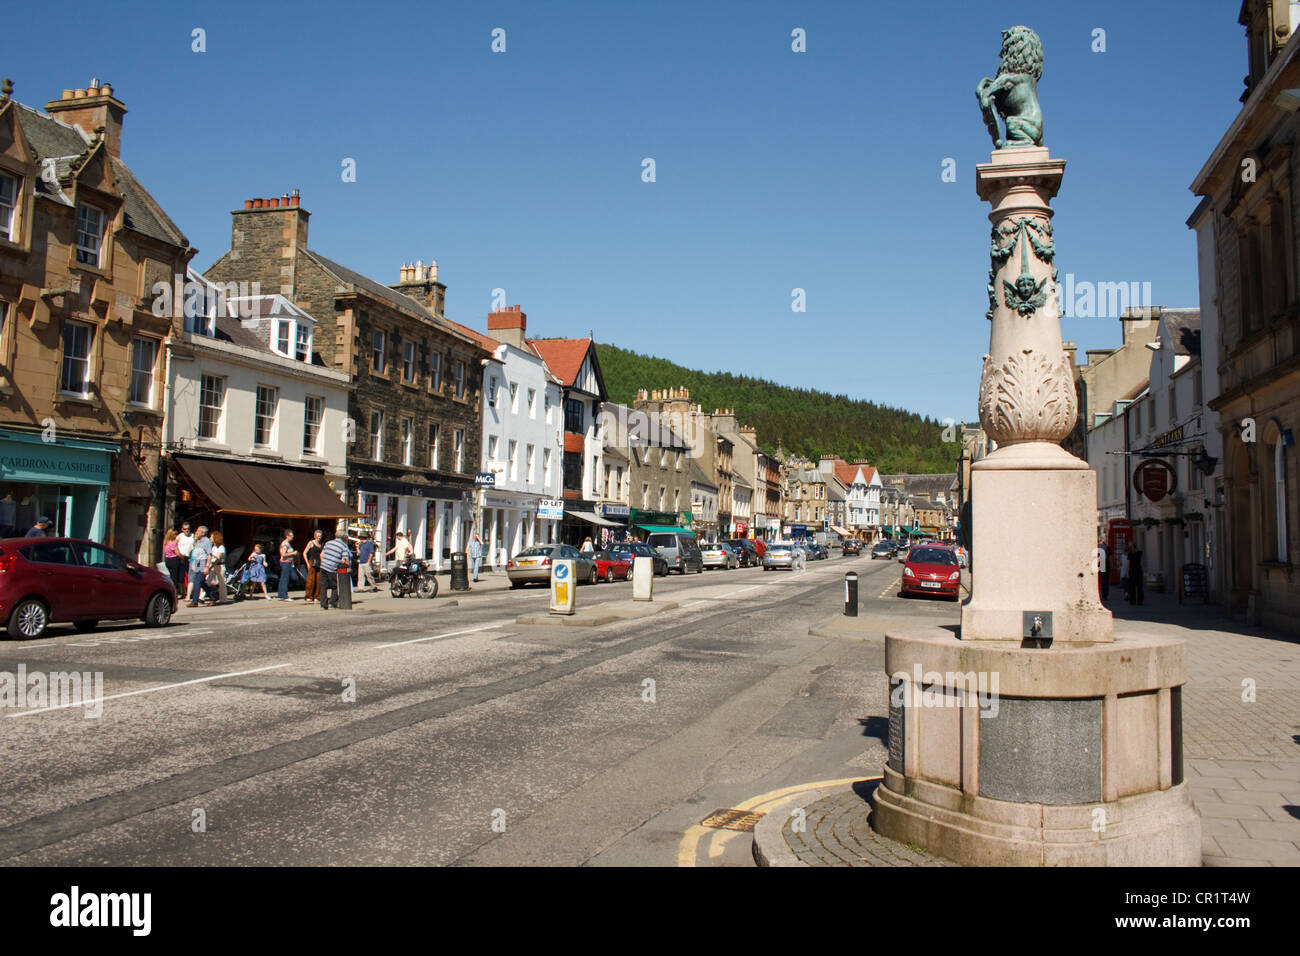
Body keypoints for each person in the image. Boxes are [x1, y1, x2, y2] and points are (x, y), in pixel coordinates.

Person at [318, 532, 351, 610]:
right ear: (343, 537)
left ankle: (323, 605)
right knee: (336, 586)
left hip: (323, 567)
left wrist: (324, 562)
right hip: (332, 569)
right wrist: (347, 565)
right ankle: (332, 603)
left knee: (323, 587)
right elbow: (346, 560)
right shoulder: (343, 546)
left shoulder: (328, 543)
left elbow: (321, 555)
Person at [187, 527, 211, 607]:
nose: (196, 532)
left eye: (198, 531)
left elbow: (209, 554)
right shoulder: (198, 541)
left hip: (202, 562)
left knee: (197, 581)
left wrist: (207, 566)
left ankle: (194, 602)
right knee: (201, 582)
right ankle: (213, 596)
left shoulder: (207, 541)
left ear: (203, 533)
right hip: (196, 562)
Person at [204, 531, 228, 605]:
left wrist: (211, 554)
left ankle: (223, 599)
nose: (210, 538)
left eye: (211, 537)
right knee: (207, 581)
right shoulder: (213, 547)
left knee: (222, 583)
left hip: (220, 566)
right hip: (214, 566)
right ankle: (201, 597)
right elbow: (210, 557)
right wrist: (209, 566)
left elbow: (218, 557)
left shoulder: (221, 547)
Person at [276, 531, 299, 600]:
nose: (292, 537)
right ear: (287, 536)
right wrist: (293, 553)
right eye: (291, 536)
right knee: (285, 579)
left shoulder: (287, 543)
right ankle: (284, 595)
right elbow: (283, 554)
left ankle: (280, 594)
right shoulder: (285, 544)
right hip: (285, 562)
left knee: (283, 578)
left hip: (288, 562)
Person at [303, 529, 324, 603]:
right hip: (312, 562)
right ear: (314, 536)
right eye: (317, 536)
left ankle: (317, 596)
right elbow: (304, 553)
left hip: (319, 563)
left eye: (320, 536)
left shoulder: (321, 544)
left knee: (319, 580)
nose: (319, 537)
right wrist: (307, 563)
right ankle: (308, 596)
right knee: (311, 580)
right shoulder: (311, 543)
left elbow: (322, 554)